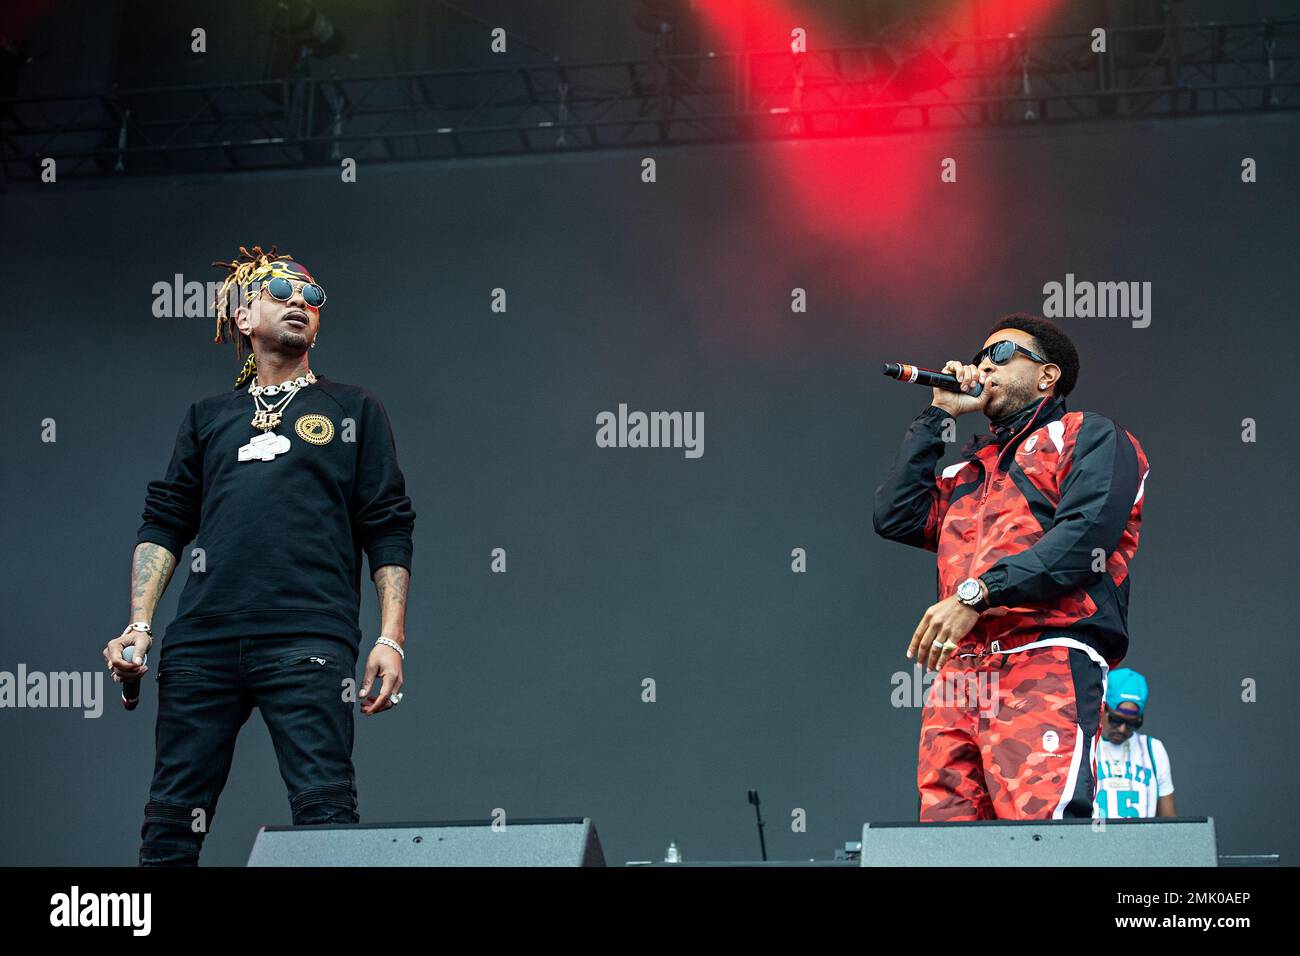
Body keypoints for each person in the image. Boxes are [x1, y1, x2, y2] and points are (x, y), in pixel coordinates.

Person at [102, 245, 416, 865]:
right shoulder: (207, 417)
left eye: (314, 295)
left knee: (325, 815)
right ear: (244, 316)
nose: (301, 300)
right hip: (202, 643)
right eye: (281, 290)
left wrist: (391, 637)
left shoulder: (353, 410)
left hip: (307, 636)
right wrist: (139, 624)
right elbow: (165, 521)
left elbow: (387, 524)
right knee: (170, 820)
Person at [874, 312, 1149, 821]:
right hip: (961, 675)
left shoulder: (1086, 435)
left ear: (1047, 375)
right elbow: (895, 516)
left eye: (999, 354)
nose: (984, 366)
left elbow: (1084, 540)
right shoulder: (968, 467)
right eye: (980, 357)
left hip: (1042, 658)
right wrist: (938, 416)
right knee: (944, 839)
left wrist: (975, 594)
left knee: (1038, 833)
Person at [1093, 668, 1176, 818]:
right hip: (1092, 839)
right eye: (1116, 720)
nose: (1123, 729)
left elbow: (1170, 821)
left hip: (1141, 841)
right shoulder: (1083, 746)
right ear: (1102, 708)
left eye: (1132, 723)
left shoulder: (1153, 750)